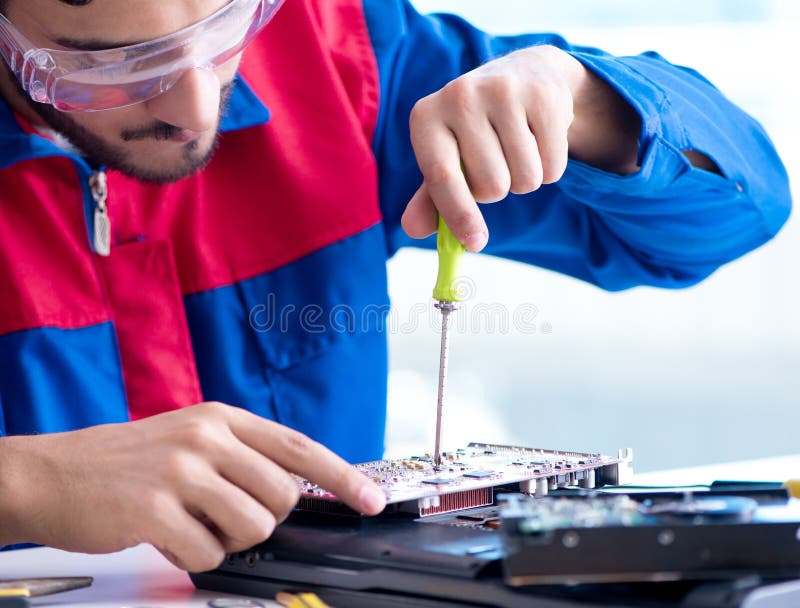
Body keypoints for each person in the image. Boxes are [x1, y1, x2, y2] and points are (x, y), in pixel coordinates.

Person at [0, 0, 790, 572]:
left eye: (224, 29)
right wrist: (26, 484)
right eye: (115, 66)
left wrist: (591, 105)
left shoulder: (343, 56)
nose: (199, 107)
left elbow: (737, 214)